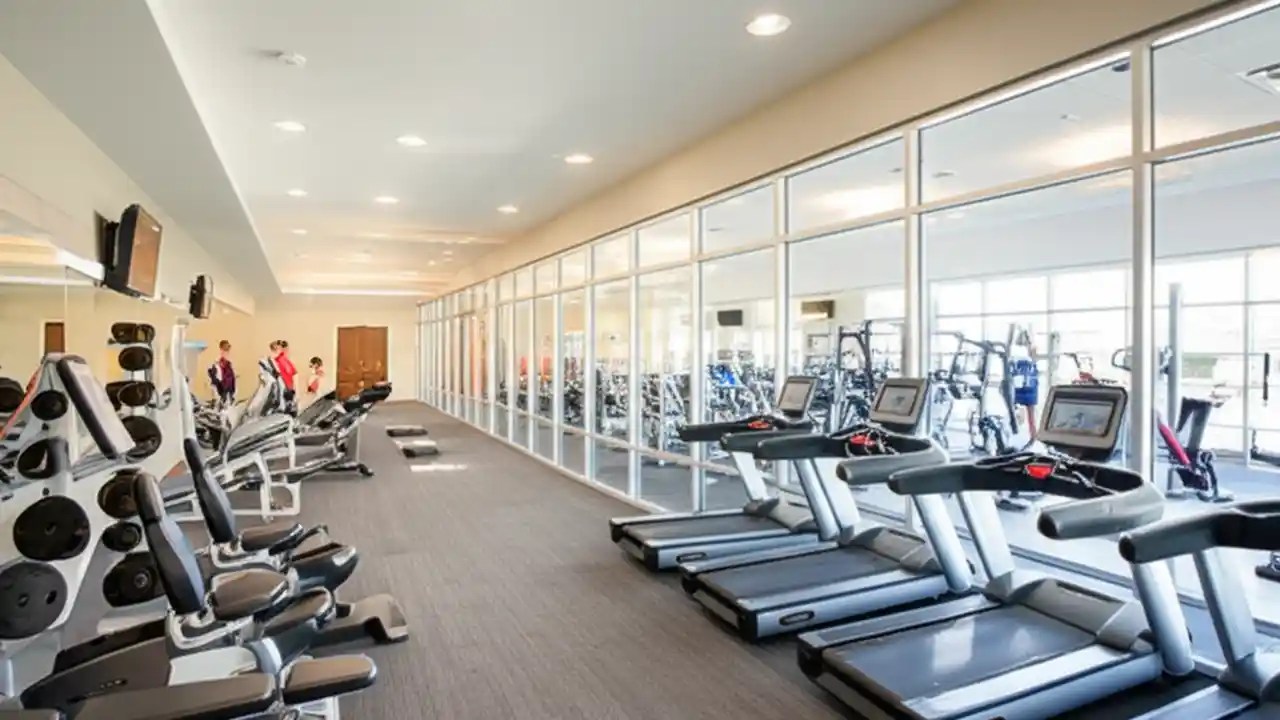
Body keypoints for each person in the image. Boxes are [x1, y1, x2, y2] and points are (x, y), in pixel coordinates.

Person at [208, 340, 236, 404]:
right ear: (221, 350)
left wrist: (233, 395)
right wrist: (217, 398)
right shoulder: (216, 365)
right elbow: (214, 383)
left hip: (229, 395)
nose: (227, 352)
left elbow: (233, 380)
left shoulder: (229, 364)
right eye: (225, 349)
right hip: (221, 397)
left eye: (228, 350)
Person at [275, 340, 298, 415]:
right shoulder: (282, 360)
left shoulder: (281, 360)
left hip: (286, 389)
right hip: (286, 389)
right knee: (289, 412)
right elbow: (292, 373)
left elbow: (292, 373)